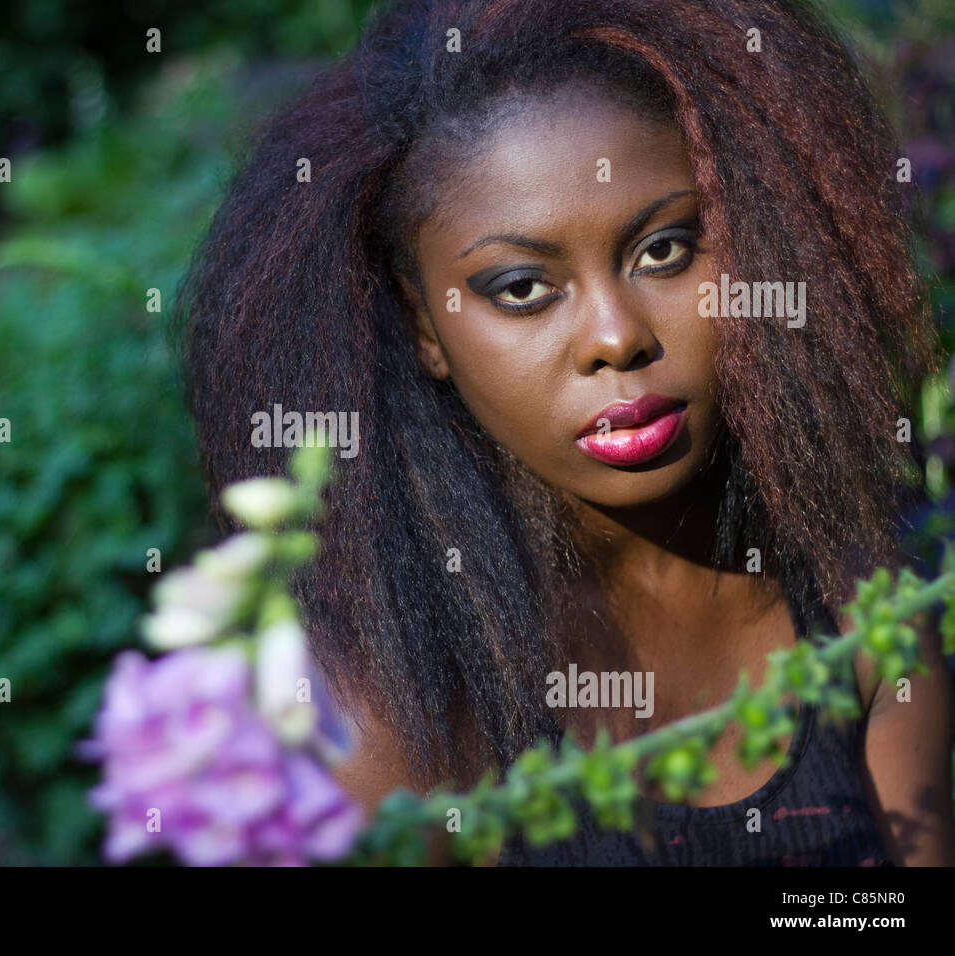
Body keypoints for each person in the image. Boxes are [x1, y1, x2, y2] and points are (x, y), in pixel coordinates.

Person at [178, 0, 955, 865]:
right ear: (424, 326)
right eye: (520, 289)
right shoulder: (390, 731)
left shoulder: (860, 607)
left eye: (663, 250)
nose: (617, 337)